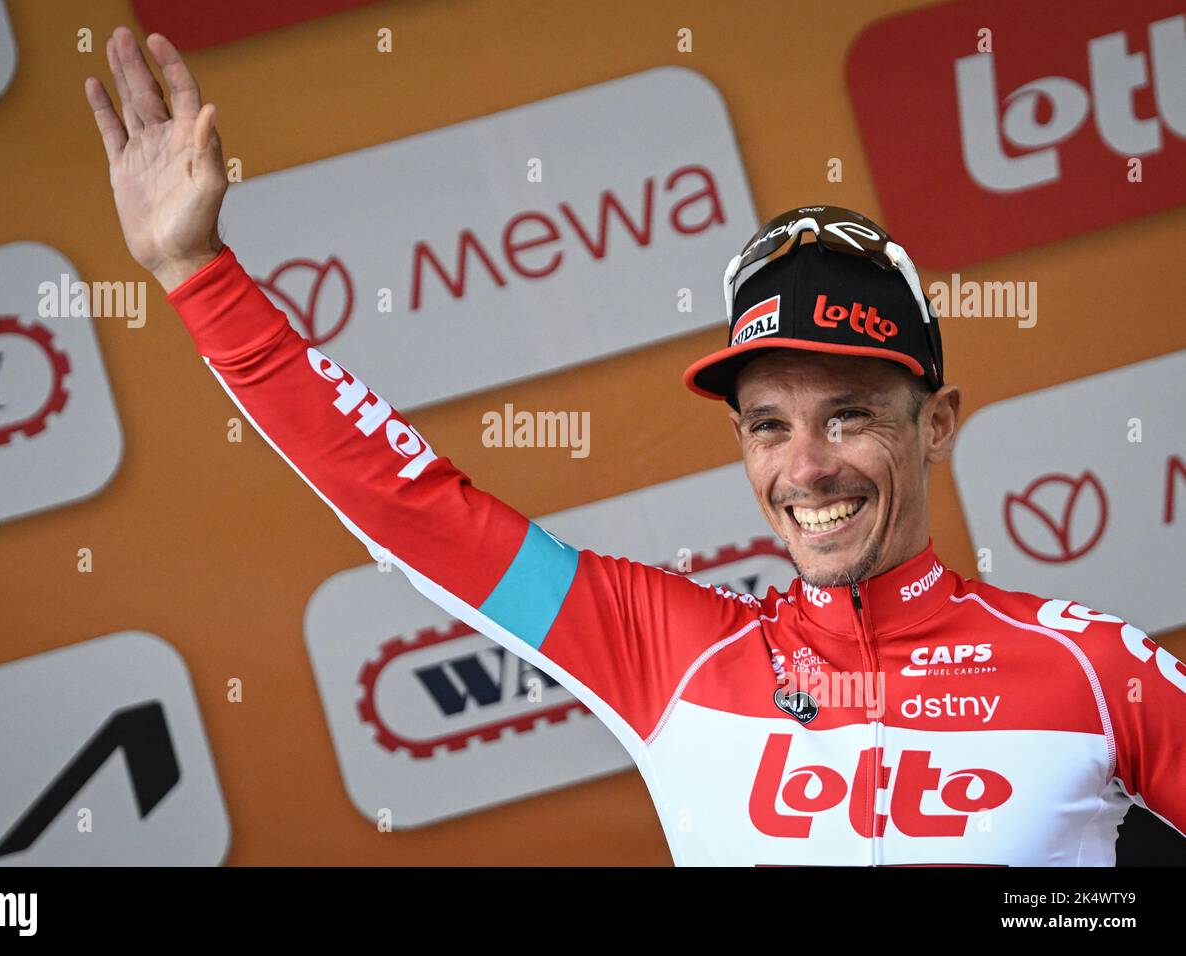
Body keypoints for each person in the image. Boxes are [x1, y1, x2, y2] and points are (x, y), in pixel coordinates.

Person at [85, 26, 1185, 866]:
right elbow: (408, 504)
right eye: (767, 425)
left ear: (934, 424)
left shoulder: (1095, 667)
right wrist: (199, 274)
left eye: (846, 414)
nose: (805, 467)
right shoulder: (667, 649)